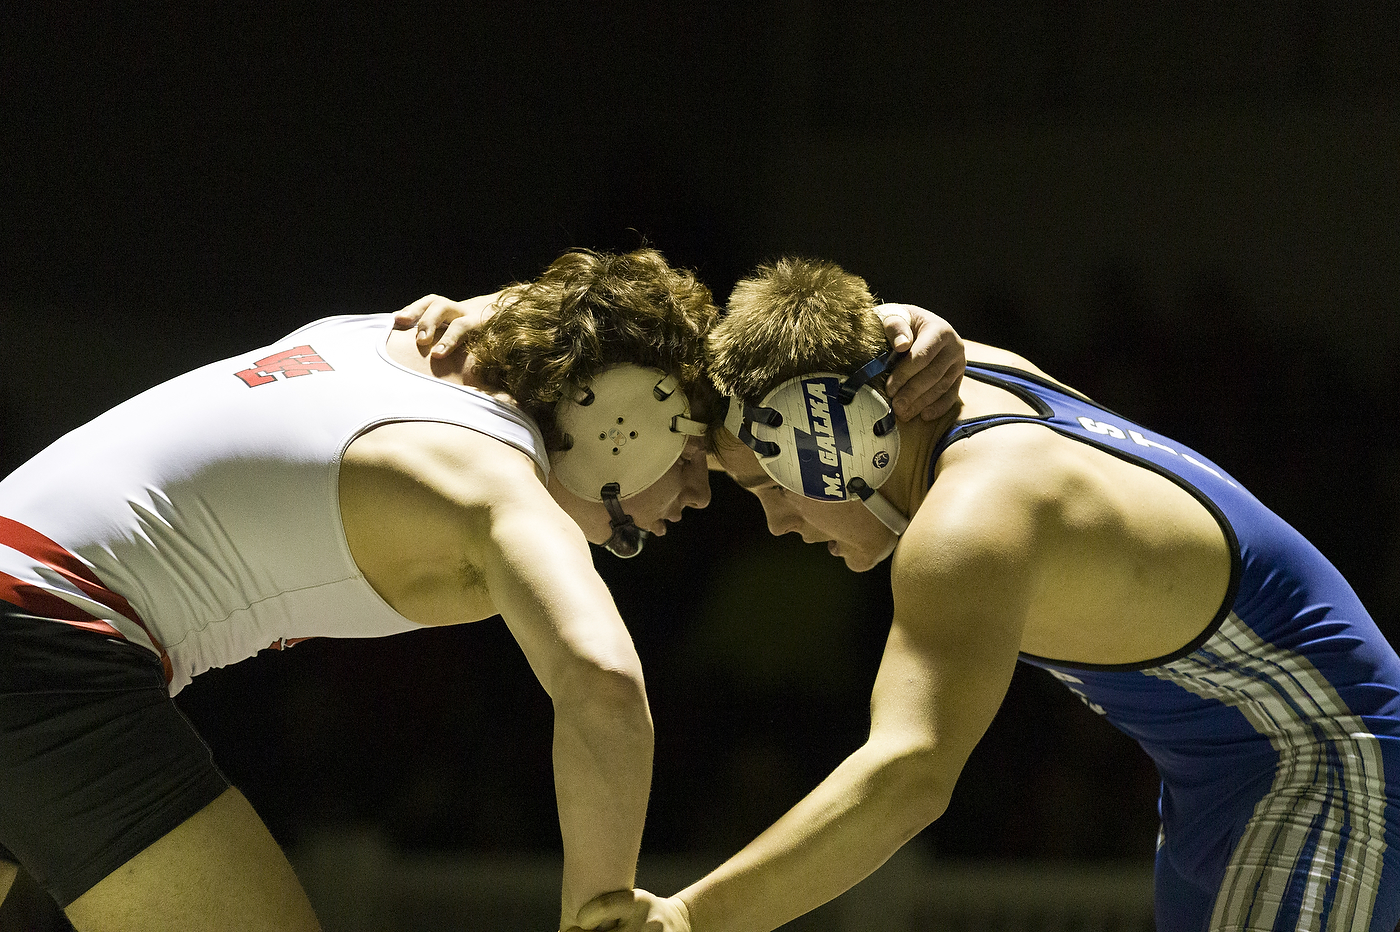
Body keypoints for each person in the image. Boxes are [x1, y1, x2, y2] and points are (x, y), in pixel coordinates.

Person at [0, 247, 963, 932]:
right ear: (626, 418)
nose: (701, 494)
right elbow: (602, 684)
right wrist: (597, 911)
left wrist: (903, 331)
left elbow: (586, 306)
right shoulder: (487, 476)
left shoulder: (404, 342)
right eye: (695, 457)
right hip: (48, 640)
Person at [570, 257, 1400, 932]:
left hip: (1325, 765)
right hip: (1224, 778)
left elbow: (908, 774)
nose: (781, 525)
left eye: (772, 486)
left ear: (840, 438)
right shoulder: (957, 378)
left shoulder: (973, 521)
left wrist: (688, 921)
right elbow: (837, 340)